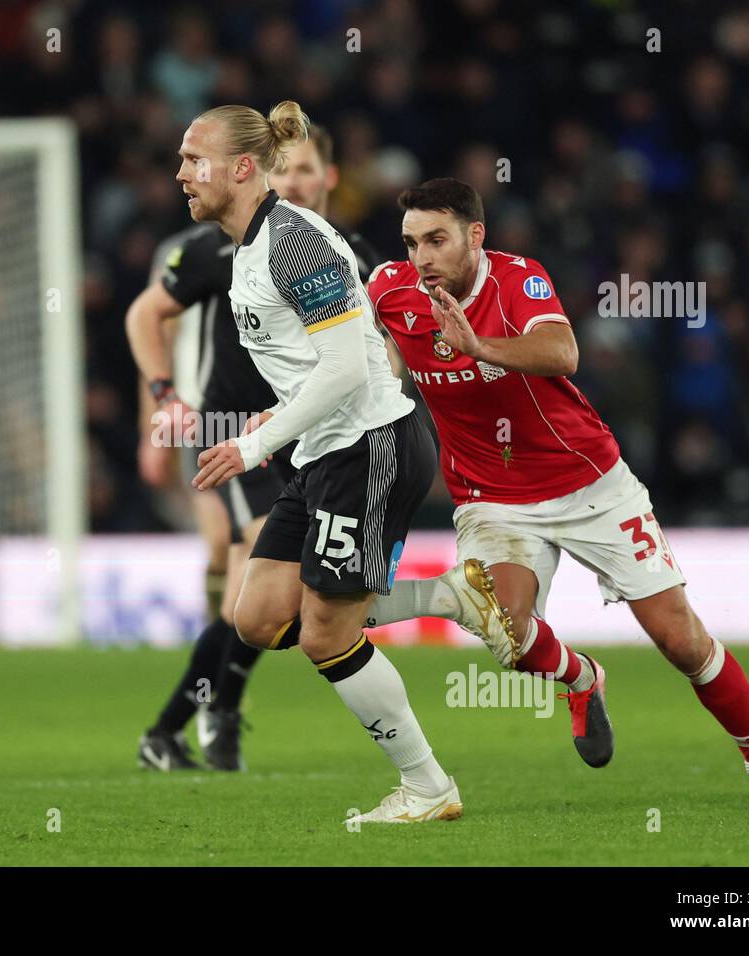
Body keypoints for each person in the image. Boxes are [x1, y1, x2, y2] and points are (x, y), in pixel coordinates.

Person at [368, 177, 749, 808]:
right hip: (490, 494)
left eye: (437, 240)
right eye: (412, 243)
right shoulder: (391, 290)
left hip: (588, 482)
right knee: (508, 634)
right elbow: (384, 359)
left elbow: (562, 351)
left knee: (680, 640)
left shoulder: (518, 281)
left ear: (475, 236)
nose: (422, 257)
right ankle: (582, 678)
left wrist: (477, 345)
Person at [187, 101, 510, 823]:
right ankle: (449, 598)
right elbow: (317, 367)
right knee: (259, 618)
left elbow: (348, 374)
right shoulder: (247, 248)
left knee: (327, 633)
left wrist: (253, 443)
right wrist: (278, 424)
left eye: (193, 159)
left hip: (370, 445)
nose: (181, 174)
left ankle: (427, 787)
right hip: (322, 452)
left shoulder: (293, 242)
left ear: (242, 168)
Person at [126, 124, 385, 772]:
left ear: (328, 179)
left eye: (306, 171)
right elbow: (144, 314)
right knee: (251, 575)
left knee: (275, 599)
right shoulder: (222, 246)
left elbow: (375, 353)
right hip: (233, 428)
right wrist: (160, 402)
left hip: (317, 433)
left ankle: (183, 724)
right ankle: (207, 719)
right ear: (262, 172)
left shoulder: (344, 255)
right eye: (284, 169)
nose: (294, 181)